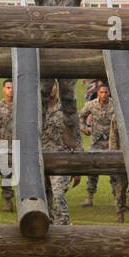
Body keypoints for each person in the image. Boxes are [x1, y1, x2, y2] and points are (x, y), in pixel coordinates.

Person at [29, 0, 89, 149]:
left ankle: (72, 139)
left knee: (69, 99)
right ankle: (35, 137)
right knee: (42, 97)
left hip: (66, 55)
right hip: (46, 54)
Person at [42, 85, 79, 225]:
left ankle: (65, 225)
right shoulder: (38, 109)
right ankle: (48, 225)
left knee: (58, 194)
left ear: (57, 88)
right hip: (41, 159)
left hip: (61, 160)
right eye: (49, 86)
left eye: (54, 86)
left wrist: (77, 169)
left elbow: (76, 137)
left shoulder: (66, 110)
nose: (51, 89)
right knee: (44, 196)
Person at [79, 82, 116, 206]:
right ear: (98, 93)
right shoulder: (91, 105)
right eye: (101, 92)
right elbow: (80, 116)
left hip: (112, 142)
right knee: (92, 170)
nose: (104, 95)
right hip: (96, 141)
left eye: (106, 92)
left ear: (109, 93)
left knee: (115, 171)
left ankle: (118, 198)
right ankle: (89, 197)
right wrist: (84, 128)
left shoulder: (115, 105)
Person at [0, 79, 15, 211]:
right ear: (4, 89)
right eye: (8, 88)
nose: (10, 90)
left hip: (18, 144)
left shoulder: (21, 106)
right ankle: (7, 200)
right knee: (5, 174)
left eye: (12, 87)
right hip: (3, 145)